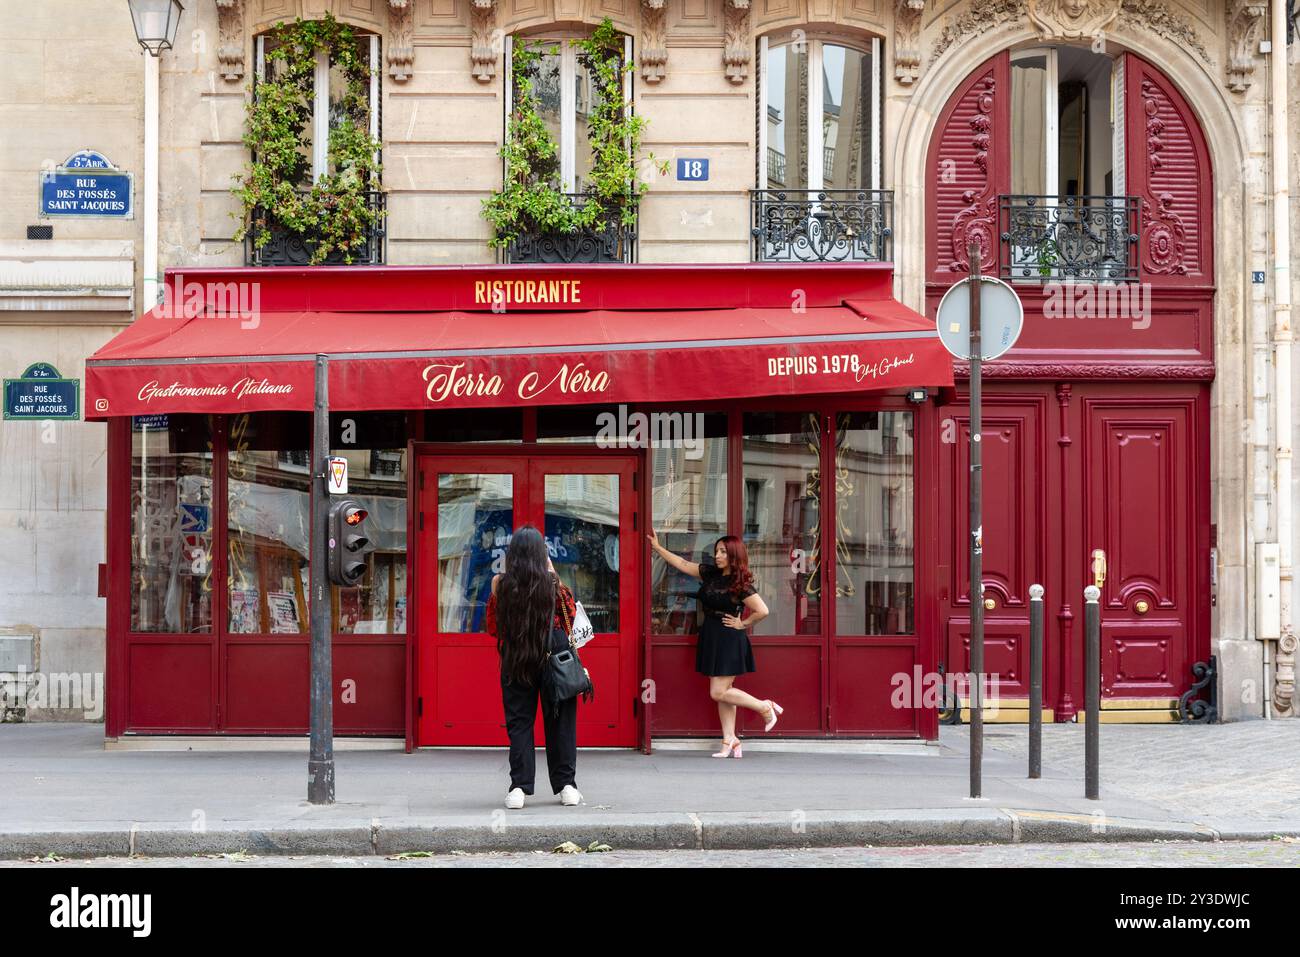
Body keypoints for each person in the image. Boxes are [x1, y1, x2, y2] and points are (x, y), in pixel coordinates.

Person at [647, 529, 781, 758]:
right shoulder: (710, 574)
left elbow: (763, 610)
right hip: (712, 634)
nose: (717, 555)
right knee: (725, 691)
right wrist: (658, 549)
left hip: (729, 637)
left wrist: (743, 623)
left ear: (733, 555)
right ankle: (729, 740)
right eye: (716, 551)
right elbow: (681, 563)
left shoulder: (741, 584)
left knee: (718, 692)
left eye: (722, 552)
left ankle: (764, 707)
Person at [485, 525, 583, 809]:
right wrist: (553, 574)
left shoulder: (499, 584)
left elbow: (494, 628)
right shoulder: (553, 583)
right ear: (544, 554)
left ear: (512, 554)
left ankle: (519, 788)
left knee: (519, 725)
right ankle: (566, 786)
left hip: (517, 659)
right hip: (555, 661)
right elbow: (569, 620)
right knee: (561, 724)